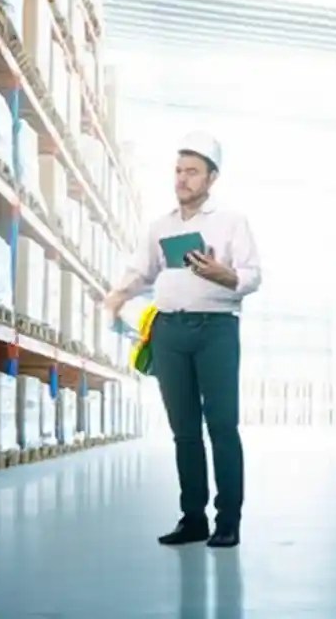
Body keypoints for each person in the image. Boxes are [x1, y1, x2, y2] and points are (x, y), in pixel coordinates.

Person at [104, 131, 261, 548]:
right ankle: (193, 519)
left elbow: (253, 275)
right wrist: (118, 295)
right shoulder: (161, 226)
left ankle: (228, 521)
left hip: (217, 330)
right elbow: (142, 271)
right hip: (169, 332)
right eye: (178, 170)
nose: (182, 178)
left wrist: (224, 274)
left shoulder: (232, 222)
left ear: (212, 177)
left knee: (222, 426)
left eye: (192, 171)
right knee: (184, 431)